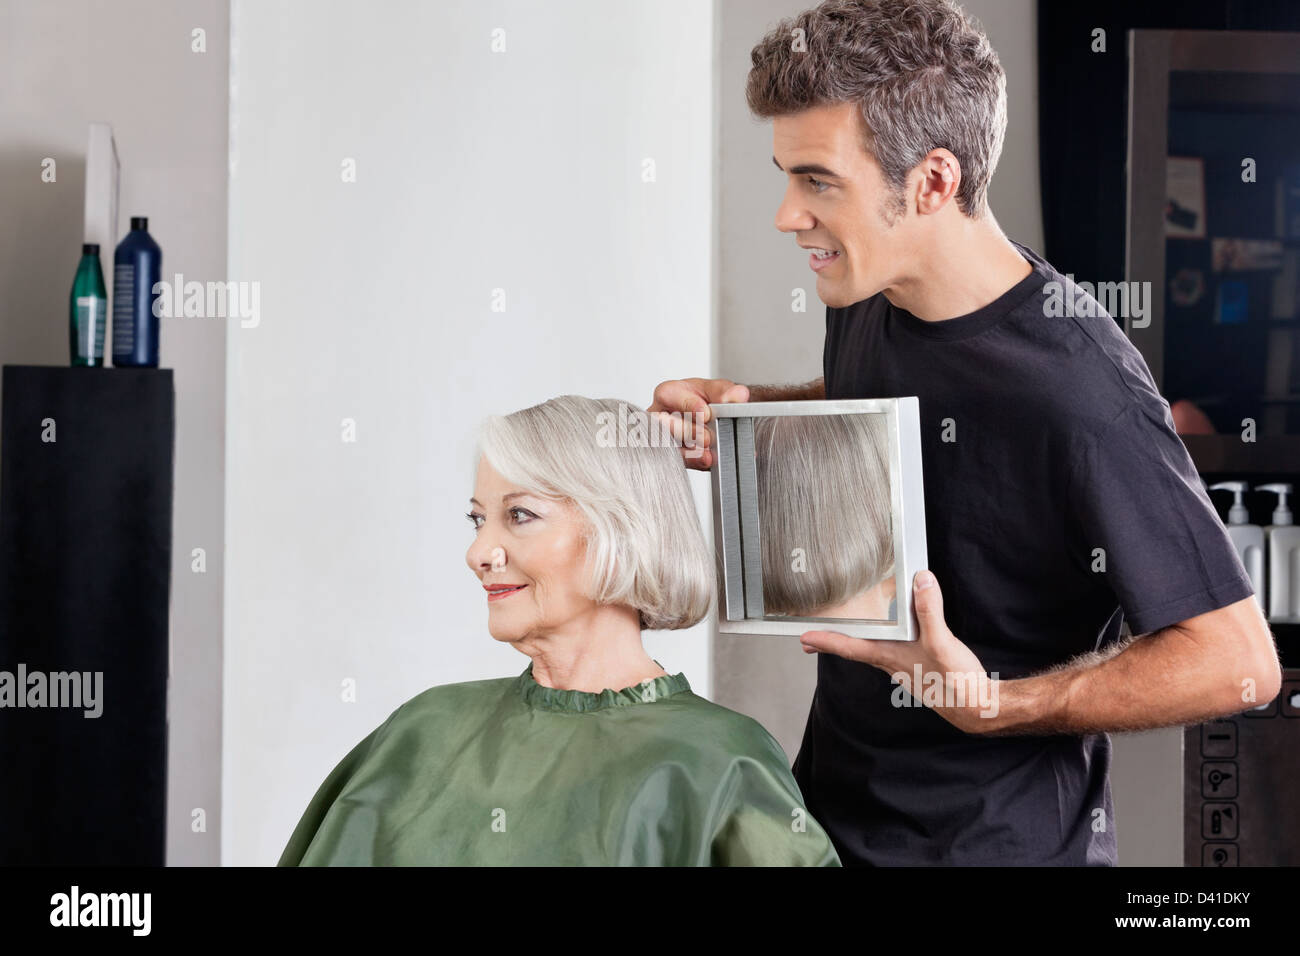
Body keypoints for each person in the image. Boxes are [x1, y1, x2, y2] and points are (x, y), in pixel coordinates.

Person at [648, 0, 1279, 865]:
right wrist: (759, 413)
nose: (787, 215)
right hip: (833, 817)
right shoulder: (874, 287)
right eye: (785, 176)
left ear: (932, 182)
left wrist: (998, 704)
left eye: (818, 181)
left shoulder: (1085, 390)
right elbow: (916, 400)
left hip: (995, 847)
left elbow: (1235, 658)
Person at [278, 395, 840, 866]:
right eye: (478, 519)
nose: (478, 552)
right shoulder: (424, 733)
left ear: (622, 529)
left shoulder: (718, 761)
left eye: (519, 515)